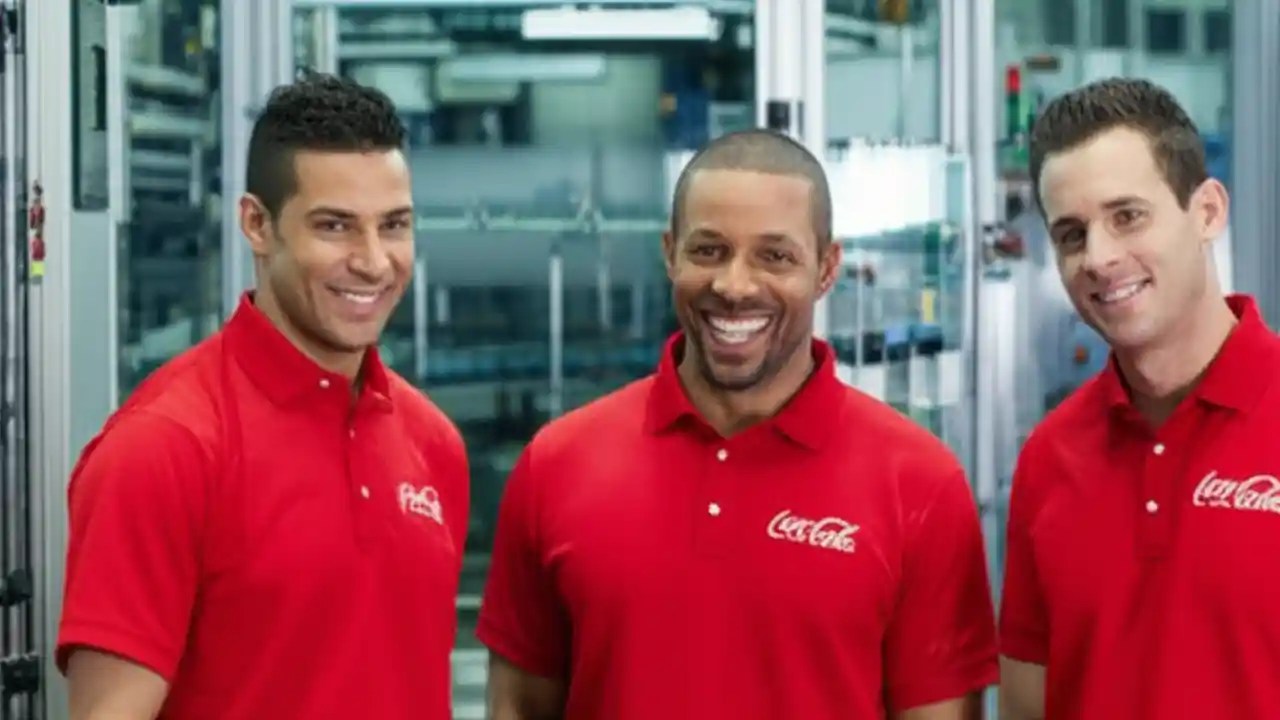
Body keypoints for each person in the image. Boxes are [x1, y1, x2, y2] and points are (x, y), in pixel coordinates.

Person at [477, 129, 999, 720]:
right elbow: (517, 706)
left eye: (775, 256)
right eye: (709, 251)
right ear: (670, 252)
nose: (734, 286)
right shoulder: (558, 464)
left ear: (827, 268)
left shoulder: (920, 484)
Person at [56, 73, 469, 720]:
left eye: (394, 225)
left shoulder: (433, 443)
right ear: (257, 224)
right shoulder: (164, 448)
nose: (373, 261)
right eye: (335, 226)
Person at [999, 77, 1280, 719]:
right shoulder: (1049, 457)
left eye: (1127, 216)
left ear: (1207, 211)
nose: (1099, 257)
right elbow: (1025, 704)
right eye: (1072, 234)